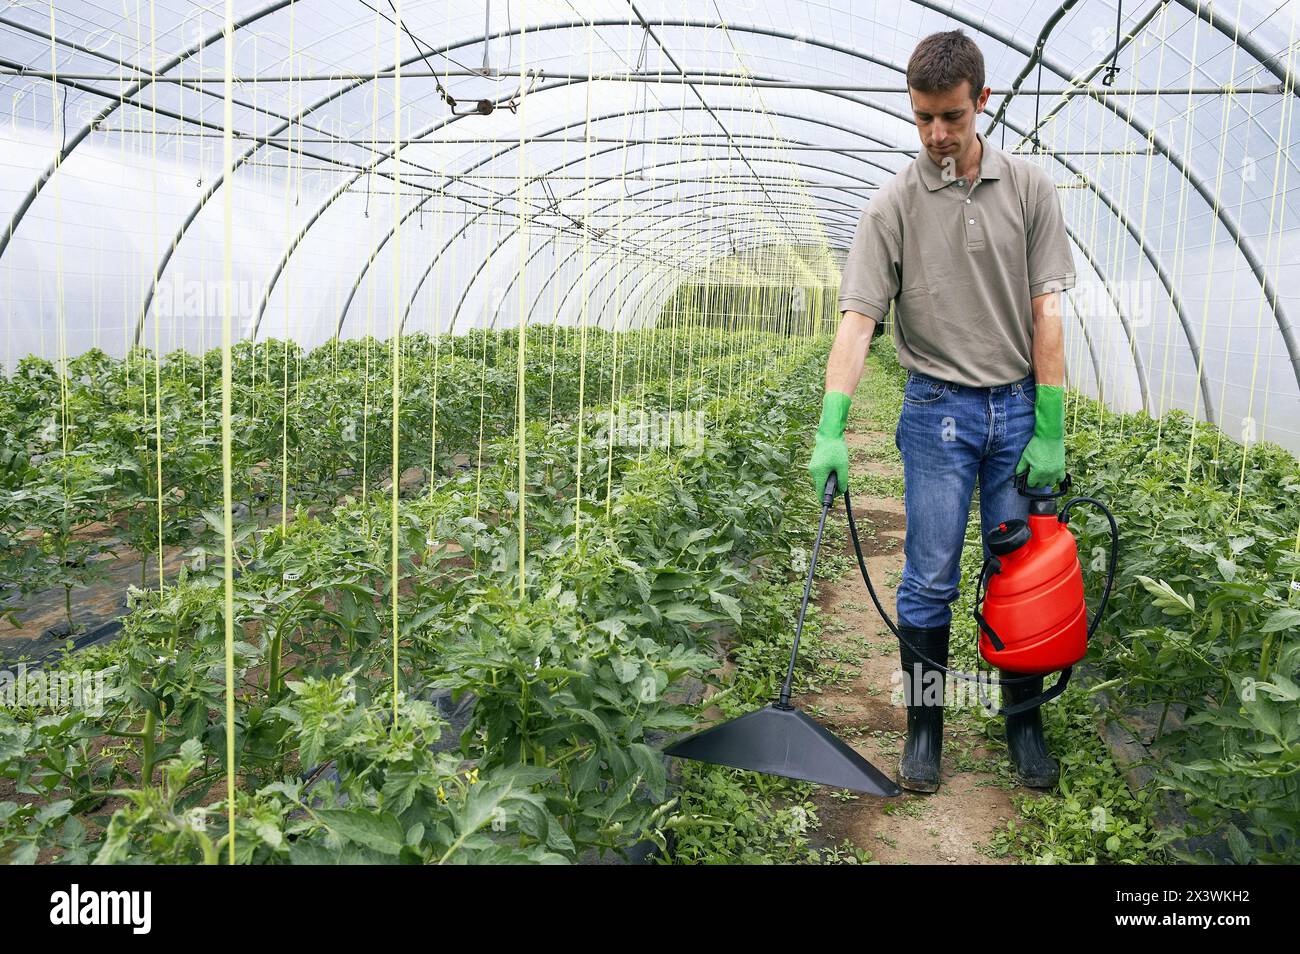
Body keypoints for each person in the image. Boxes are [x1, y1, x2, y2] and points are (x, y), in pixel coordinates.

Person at [807, 30, 1076, 793]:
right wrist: (832, 426)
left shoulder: (1030, 190)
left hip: (1017, 409)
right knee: (929, 579)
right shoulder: (892, 203)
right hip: (936, 413)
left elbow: (1046, 310)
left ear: (981, 103)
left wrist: (1051, 425)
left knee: (1019, 573)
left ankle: (1023, 724)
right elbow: (858, 320)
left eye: (951, 117)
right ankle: (925, 728)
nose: (936, 135)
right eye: (922, 117)